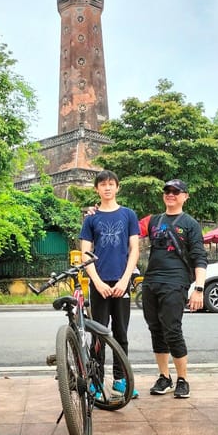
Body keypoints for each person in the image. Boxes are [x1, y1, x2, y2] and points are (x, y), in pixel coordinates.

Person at [141, 179, 208, 399]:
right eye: (167, 191)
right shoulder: (154, 220)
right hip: (151, 281)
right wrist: (96, 213)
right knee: (156, 329)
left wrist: (199, 288)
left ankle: (182, 379)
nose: (170, 194)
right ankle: (164, 377)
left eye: (176, 192)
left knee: (172, 329)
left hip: (176, 281)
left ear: (185, 196)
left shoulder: (190, 224)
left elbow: (199, 257)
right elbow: (127, 229)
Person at [79, 170, 141, 398]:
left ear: (117, 188)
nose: (107, 188)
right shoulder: (91, 219)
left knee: (121, 333)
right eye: (102, 184)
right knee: (98, 334)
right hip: (99, 284)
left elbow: (134, 249)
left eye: (111, 184)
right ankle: (96, 381)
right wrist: (97, 282)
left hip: (122, 282)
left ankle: (120, 380)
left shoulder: (128, 215)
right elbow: (86, 253)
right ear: (97, 189)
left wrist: (125, 279)